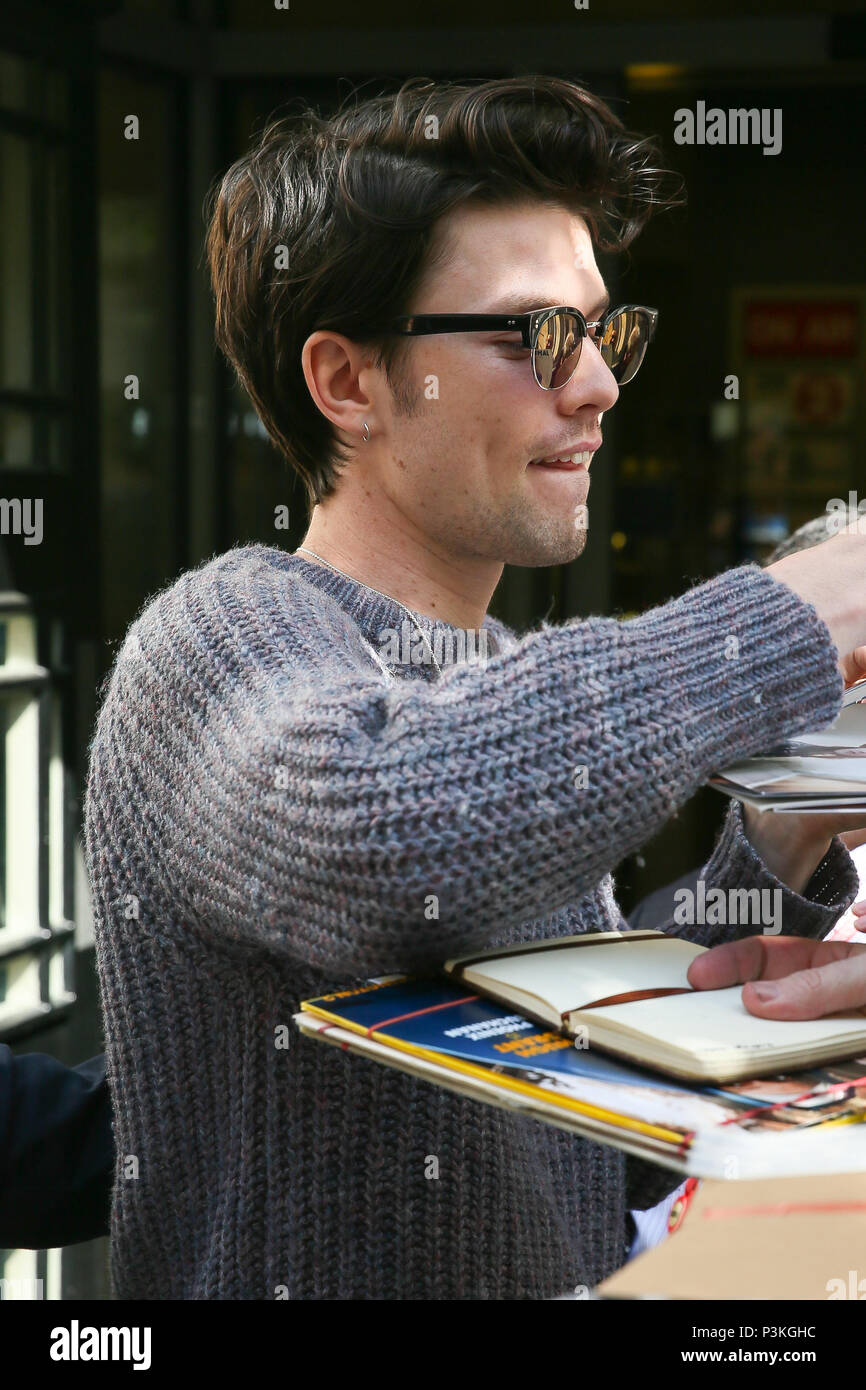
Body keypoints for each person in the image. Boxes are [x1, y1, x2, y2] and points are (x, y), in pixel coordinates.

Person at [75, 74, 866, 1299]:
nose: (597, 384)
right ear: (346, 383)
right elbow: (388, 825)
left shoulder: (491, 675)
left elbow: (580, 1097)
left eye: (606, 330)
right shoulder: (215, 639)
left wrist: (777, 840)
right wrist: (793, 613)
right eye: (531, 334)